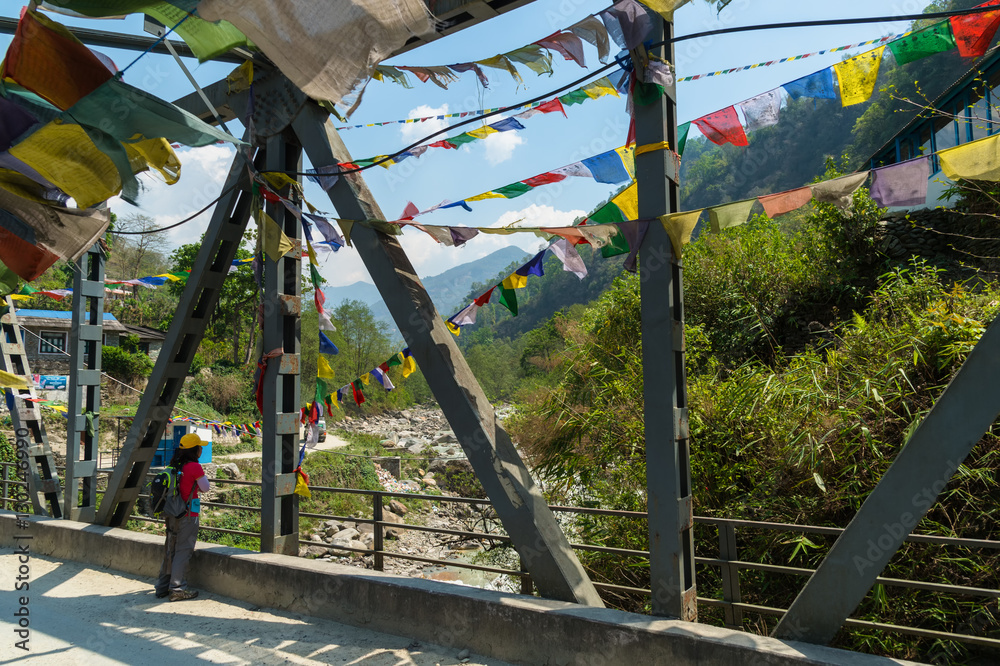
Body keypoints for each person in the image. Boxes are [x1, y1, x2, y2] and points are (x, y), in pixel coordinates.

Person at [155, 433, 210, 601]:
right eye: (200, 446)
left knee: (170, 549)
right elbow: (206, 488)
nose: (201, 449)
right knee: (183, 550)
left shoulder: (174, 465)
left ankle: (162, 587)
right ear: (195, 450)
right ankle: (177, 589)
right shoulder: (194, 467)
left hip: (171, 513)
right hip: (187, 514)